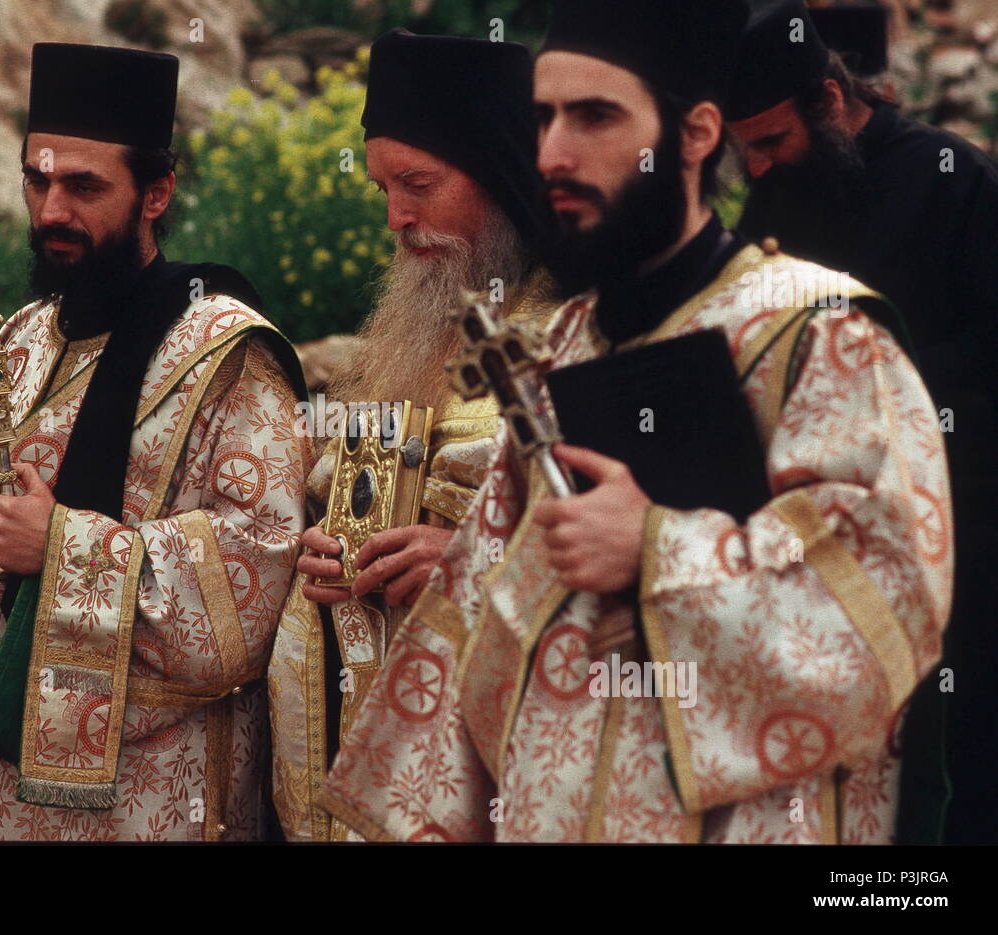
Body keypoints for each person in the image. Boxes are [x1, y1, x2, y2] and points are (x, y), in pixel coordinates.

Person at [319, 0, 953, 843]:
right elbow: (478, 649)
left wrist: (659, 548)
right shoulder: (564, 348)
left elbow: (887, 608)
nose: (553, 152)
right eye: (542, 117)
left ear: (695, 134)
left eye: (595, 115)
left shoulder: (817, 336)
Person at [0, 42, 310, 841]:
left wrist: (61, 545)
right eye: (38, 180)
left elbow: (260, 566)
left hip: (147, 789)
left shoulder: (227, 352)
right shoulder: (17, 342)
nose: (52, 209)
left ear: (156, 191)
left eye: (83, 185)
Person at [267, 28, 563, 841]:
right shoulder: (403, 337)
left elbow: (643, 561)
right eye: (382, 190)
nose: (398, 218)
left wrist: (472, 565)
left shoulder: (584, 340)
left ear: (500, 173)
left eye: (420, 185)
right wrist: (320, 553)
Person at [726, 0, 998, 845]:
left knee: (963, 759)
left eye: (772, 142)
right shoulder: (775, 200)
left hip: (959, 525)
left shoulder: (957, 175)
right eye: (746, 152)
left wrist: (878, 393)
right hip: (823, 539)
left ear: (832, 101)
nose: (760, 168)